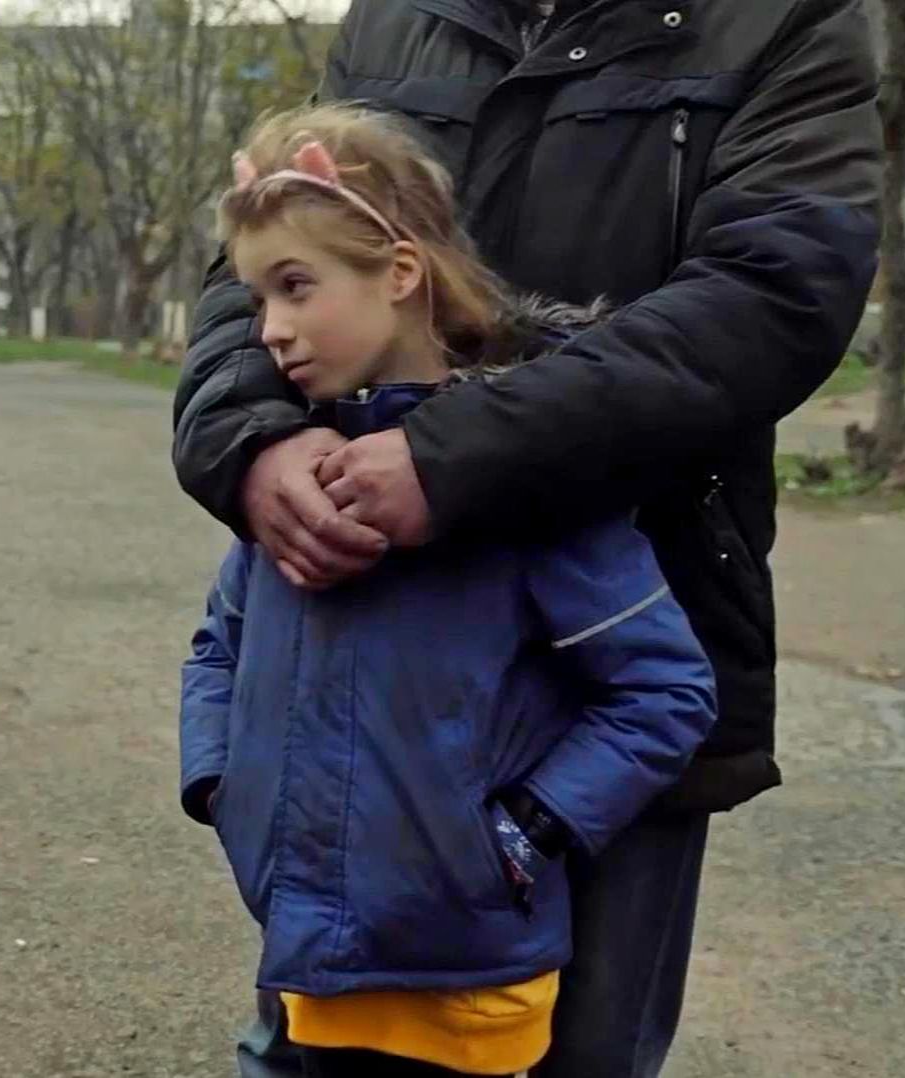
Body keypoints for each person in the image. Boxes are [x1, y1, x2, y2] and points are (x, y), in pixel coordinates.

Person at [171, 3, 880, 1075]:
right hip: (349, 781)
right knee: (303, 1050)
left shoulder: (781, 17)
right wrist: (251, 440)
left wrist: (457, 456)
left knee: (583, 1051)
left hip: (639, 570)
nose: (275, 322)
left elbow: (778, 288)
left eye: (292, 300)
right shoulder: (398, 18)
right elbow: (272, 253)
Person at [180, 103, 717, 1078]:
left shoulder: (526, 485)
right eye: (257, 298)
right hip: (310, 960)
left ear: (398, 272)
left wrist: (519, 836)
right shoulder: (291, 475)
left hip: (467, 987)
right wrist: (226, 785)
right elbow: (220, 644)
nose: (270, 331)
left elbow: (663, 691)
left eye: (295, 286)